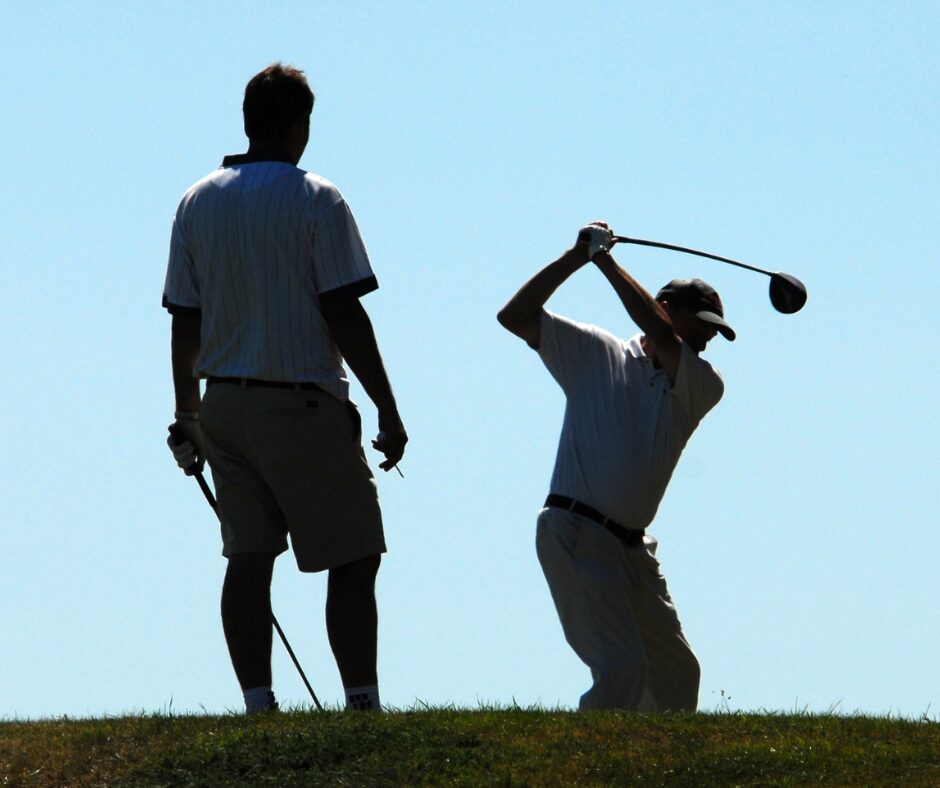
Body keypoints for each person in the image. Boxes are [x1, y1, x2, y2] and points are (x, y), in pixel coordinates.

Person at [163, 63, 406, 713]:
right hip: (301, 396)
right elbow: (344, 312)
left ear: (247, 122)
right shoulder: (316, 197)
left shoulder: (196, 200)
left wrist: (188, 414)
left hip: (224, 404)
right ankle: (361, 703)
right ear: (300, 126)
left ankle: (258, 704)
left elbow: (185, 320)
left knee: (248, 556)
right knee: (353, 553)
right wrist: (386, 405)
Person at [497, 222, 733, 711]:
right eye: (703, 324)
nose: (709, 338)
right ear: (666, 307)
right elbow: (514, 315)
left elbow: (662, 335)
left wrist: (603, 261)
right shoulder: (595, 351)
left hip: (631, 549)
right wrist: (575, 256)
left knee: (676, 673)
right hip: (575, 533)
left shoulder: (702, 382)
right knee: (622, 670)